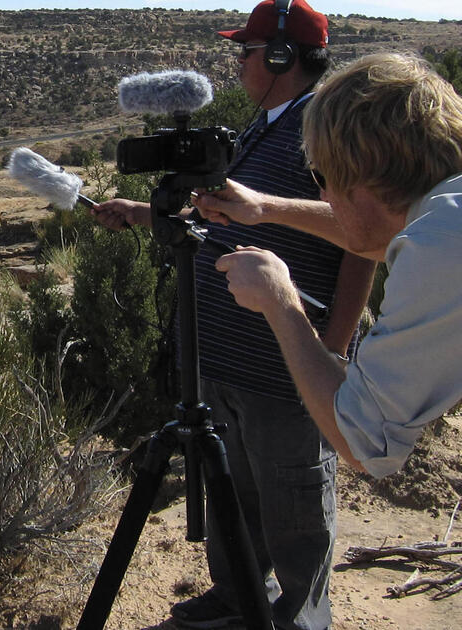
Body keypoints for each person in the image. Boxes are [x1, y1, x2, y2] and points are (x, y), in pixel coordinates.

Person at [90, 2, 375, 628]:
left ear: (281, 57)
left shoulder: (323, 128)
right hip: (224, 359)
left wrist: (332, 345)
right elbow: (226, 218)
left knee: (292, 506)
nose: (238, 61)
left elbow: (363, 241)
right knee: (235, 499)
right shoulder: (260, 126)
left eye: (245, 50)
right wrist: (143, 214)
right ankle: (235, 600)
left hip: (286, 365)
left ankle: (299, 617)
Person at [199, 53, 462, 482]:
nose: (323, 199)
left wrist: (280, 302)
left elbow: (367, 442)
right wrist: (266, 208)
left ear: (360, 173)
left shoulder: (440, 247)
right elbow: (379, 233)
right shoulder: (445, 219)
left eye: (321, 177)